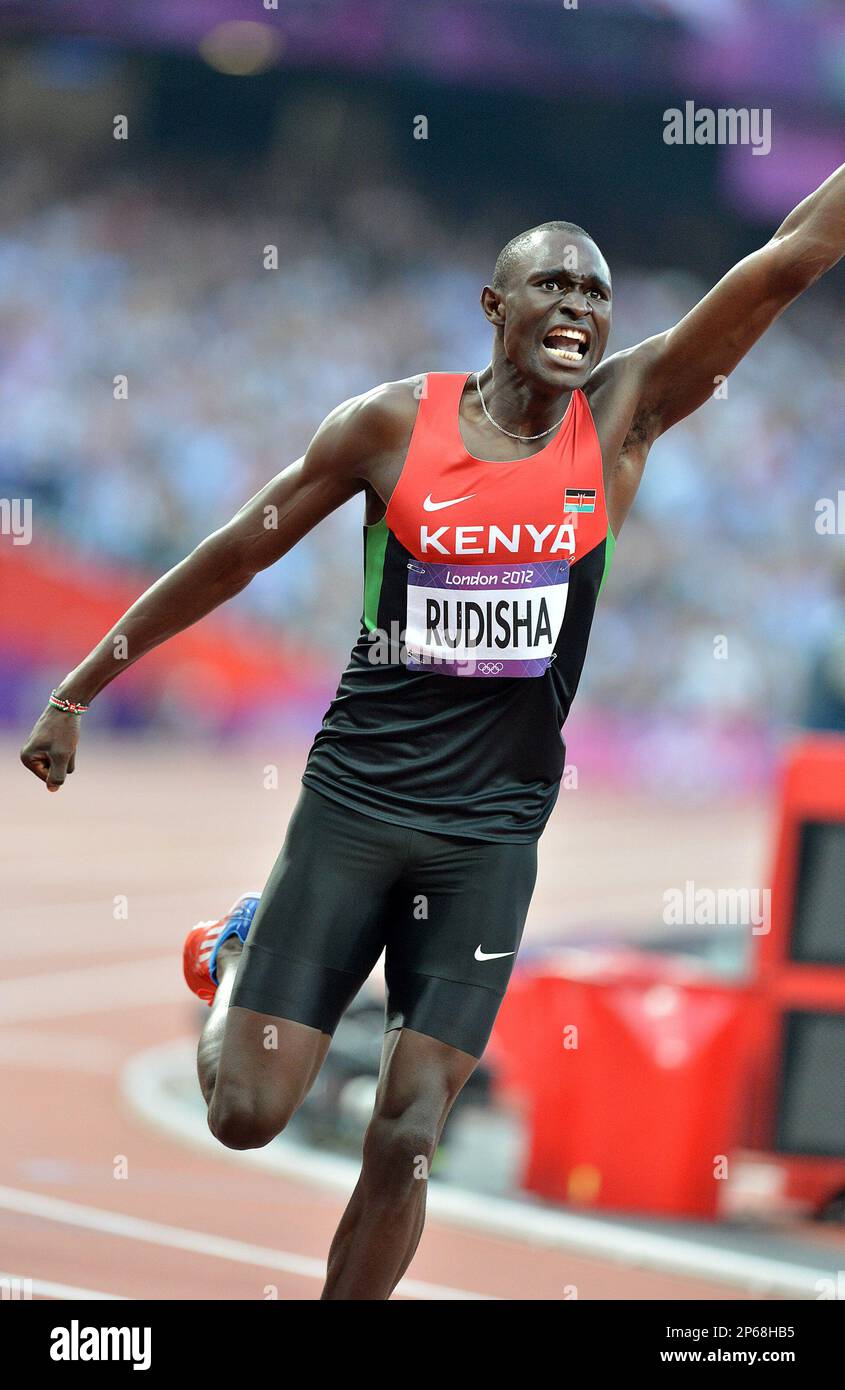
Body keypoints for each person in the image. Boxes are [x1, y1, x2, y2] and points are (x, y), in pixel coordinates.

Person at [21, 165, 845, 1299]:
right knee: (245, 1114)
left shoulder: (623, 416)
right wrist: (78, 688)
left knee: (409, 1131)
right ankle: (237, 957)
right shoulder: (387, 426)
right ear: (491, 307)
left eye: (595, 292)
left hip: (491, 833)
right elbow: (235, 552)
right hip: (356, 802)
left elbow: (792, 253)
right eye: (549, 284)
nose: (577, 307)